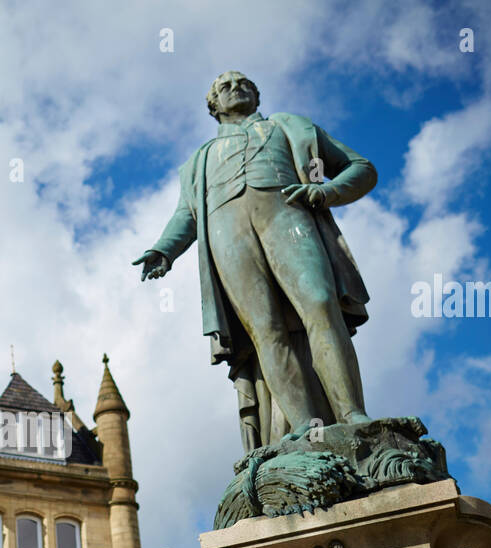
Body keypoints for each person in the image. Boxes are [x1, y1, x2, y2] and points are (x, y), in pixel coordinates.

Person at [135, 71, 376, 453]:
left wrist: (325, 191)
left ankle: (352, 417)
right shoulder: (198, 161)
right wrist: (163, 249)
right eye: (224, 86)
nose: (235, 87)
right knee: (265, 331)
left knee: (319, 303)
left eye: (243, 82)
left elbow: (361, 168)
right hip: (226, 233)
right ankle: (302, 428)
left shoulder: (292, 127)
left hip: (288, 215)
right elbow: (187, 214)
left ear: (257, 94)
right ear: (213, 105)